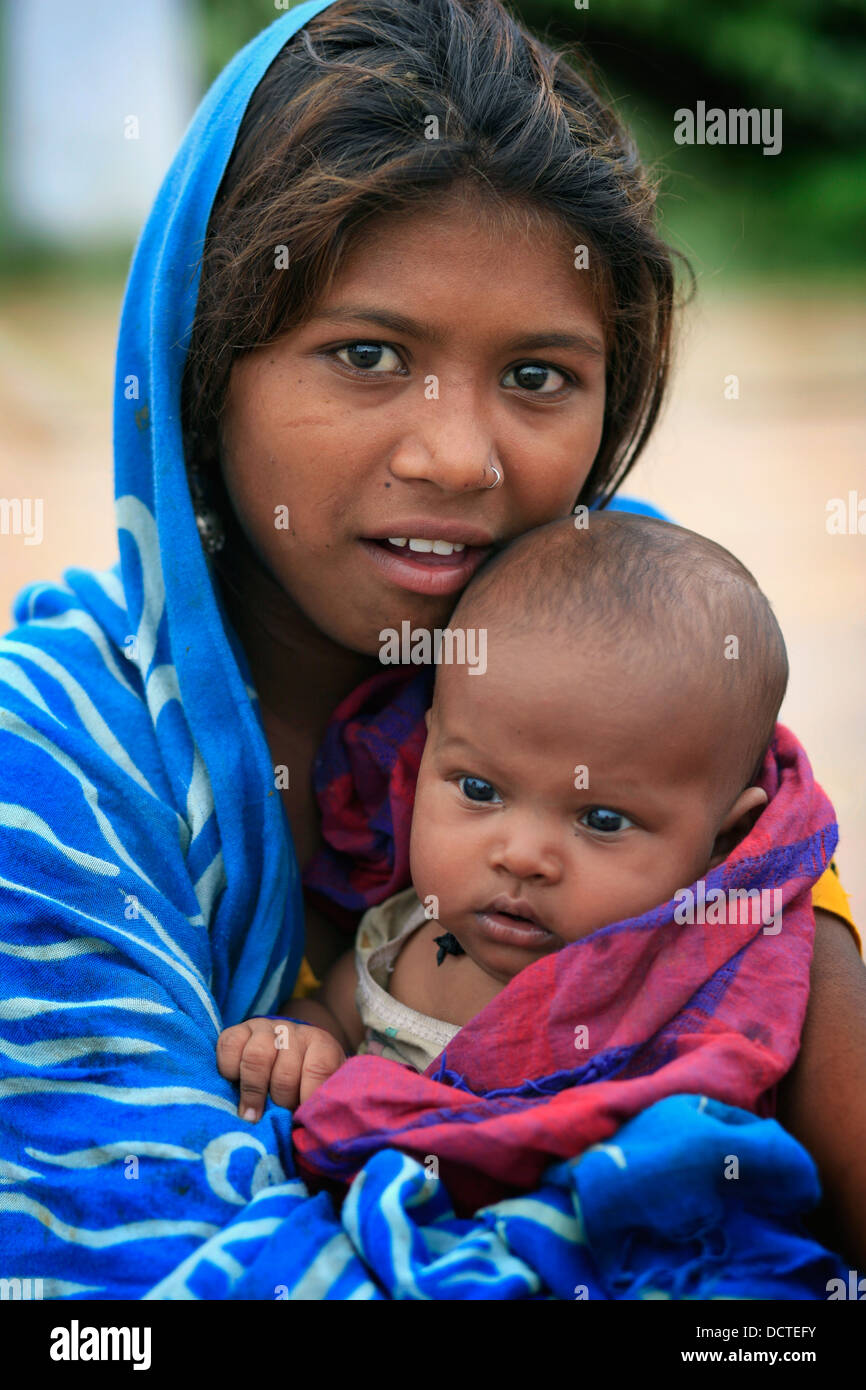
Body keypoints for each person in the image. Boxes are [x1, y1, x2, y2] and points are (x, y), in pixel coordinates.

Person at [0, 0, 862, 1298]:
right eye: (365, 353)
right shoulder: (53, 761)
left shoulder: (640, 670)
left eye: (536, 378)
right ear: (200, 365)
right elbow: (117, 1238)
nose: (457, 457)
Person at [215, 511, 813, 1092]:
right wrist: (299, 1044)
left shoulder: (676, 991)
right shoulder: (399, 939)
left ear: (725, 842)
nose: (523, 856)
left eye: (602, 820)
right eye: (480, 790)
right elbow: (329, 1017)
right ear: (423, 761)